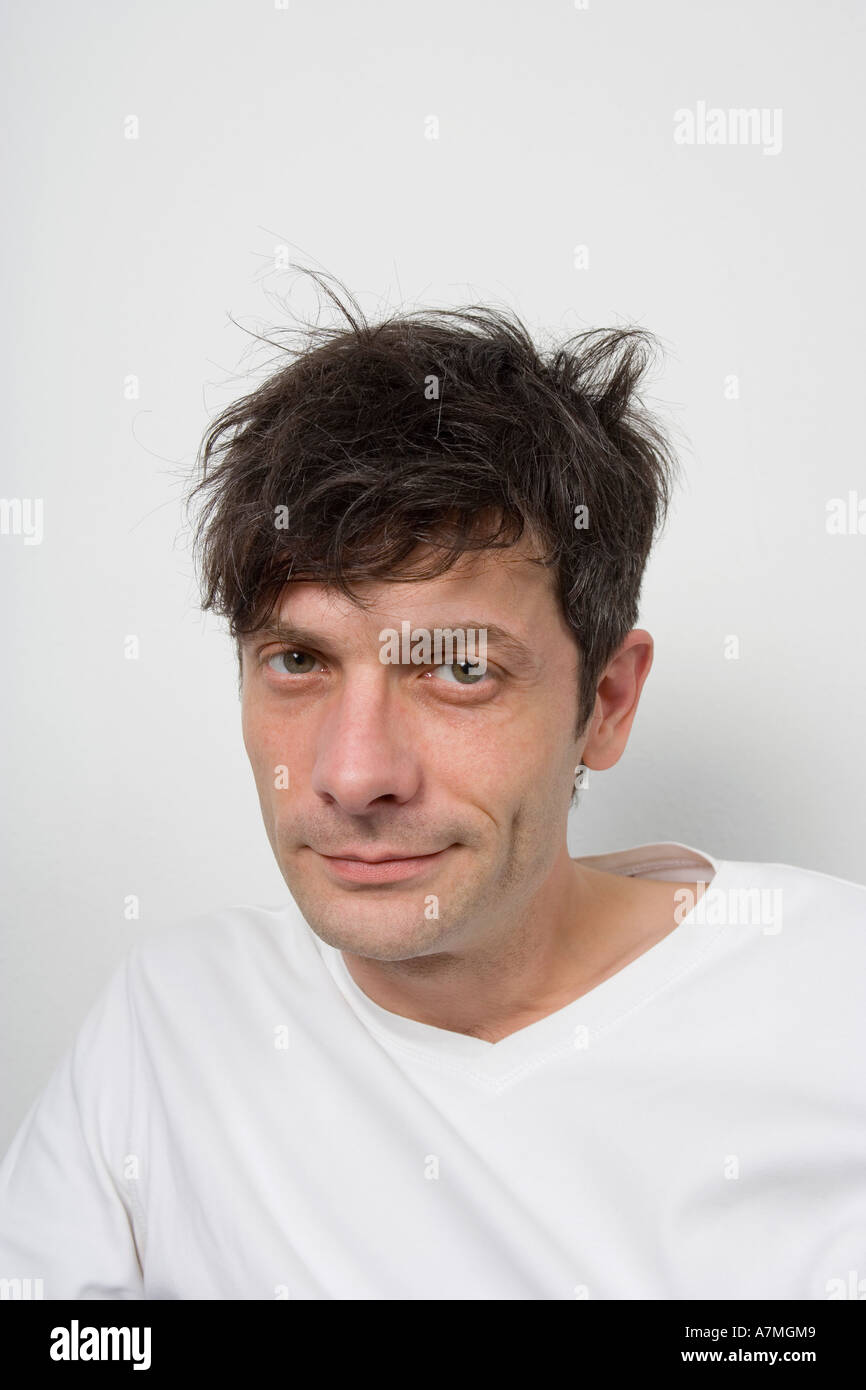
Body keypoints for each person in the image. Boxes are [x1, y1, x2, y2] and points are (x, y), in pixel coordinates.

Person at [1, 273, 864, 1301]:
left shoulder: (828, 1001)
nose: (352, 773)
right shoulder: (170, 1026)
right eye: (298, 661)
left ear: (605, 702)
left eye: (458, 670)